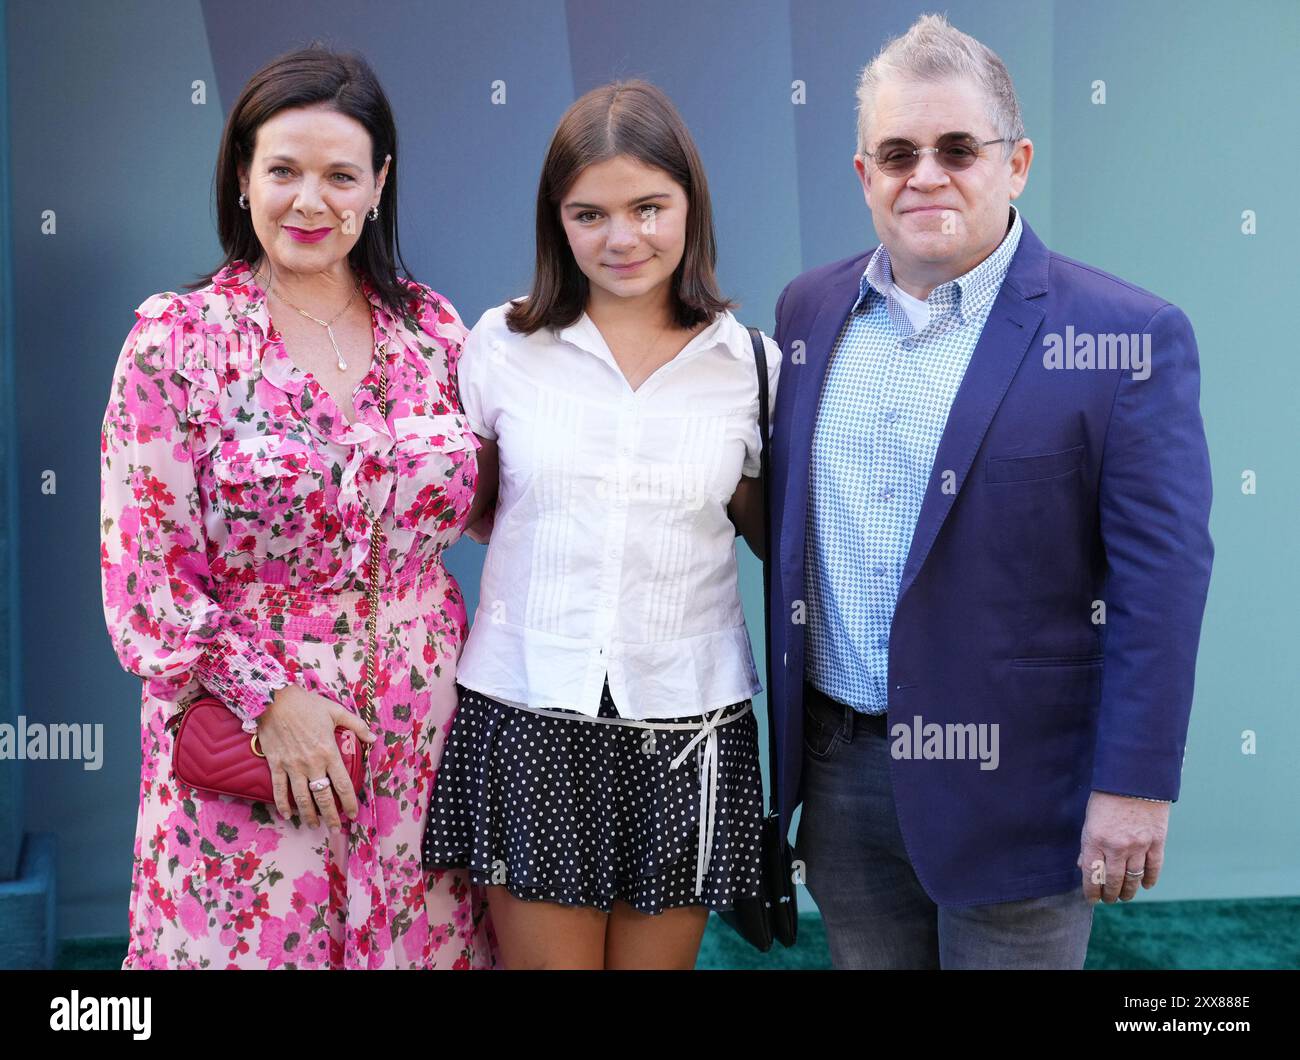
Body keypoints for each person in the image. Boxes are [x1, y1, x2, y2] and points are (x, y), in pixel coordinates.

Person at [767, 14, 1213, 969]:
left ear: (1016, 162)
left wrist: (1135, 787)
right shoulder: (809, 310)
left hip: (1020, 789)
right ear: (863, 175)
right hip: (841, 780)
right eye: (898, 152)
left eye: (958, 148)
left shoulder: (1128, 337)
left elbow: (1161, 583)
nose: (925, 174)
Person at [99, 44, 497, 969]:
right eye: (283, 170)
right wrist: (272, 701)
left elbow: (508, 500)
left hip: (419, 747)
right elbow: (146, 582)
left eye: (339, 175)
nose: (309, 201)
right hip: (246, 746)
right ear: (243, 177)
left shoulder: (435, 333)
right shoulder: (177, 343)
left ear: (379, 184)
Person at [422, 79, 781, 970]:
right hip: (531, 711)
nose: (622, 239)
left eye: (649, 207)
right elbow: (471, 509)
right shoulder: (498, 347)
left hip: (688, 724)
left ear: (691, 204)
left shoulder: (750, 367)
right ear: (558, 220)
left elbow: (776, 534)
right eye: (590, 215)